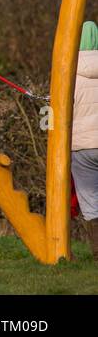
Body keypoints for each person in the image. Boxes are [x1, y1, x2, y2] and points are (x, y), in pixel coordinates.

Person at [74, 21, 98, 263]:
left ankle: (97, 252)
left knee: (90, 201)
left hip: (81, 147)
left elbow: (54, 114)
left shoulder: (67, 71)